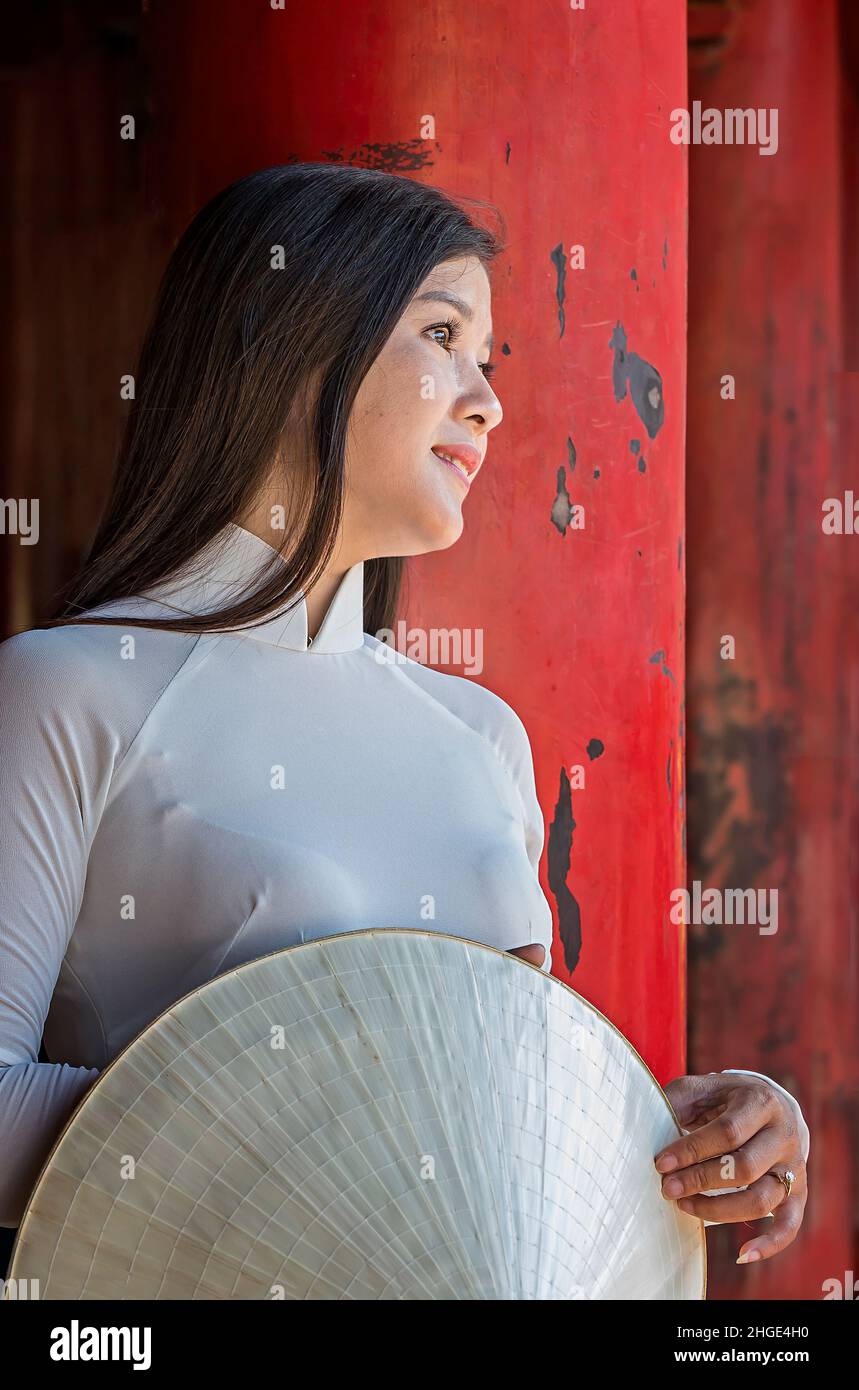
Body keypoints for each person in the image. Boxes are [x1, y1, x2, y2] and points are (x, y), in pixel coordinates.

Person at [0, 164, 807, 1269]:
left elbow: (490, 1138)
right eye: (442, 333)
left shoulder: (478, 735)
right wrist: (341, 1118)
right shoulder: (71, 690)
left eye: (489, 357)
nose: (488, 398)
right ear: (290, 341)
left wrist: (685, 1136)